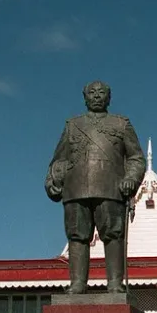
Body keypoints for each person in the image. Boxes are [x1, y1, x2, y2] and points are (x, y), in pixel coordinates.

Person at [45, 81, 146, 294]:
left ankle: (115, 283)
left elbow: (136, 158)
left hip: (111, 188)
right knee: (77, 235)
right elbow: (58, 159)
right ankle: (78, 283)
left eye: (102, 93)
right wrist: (52, 181)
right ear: (85, 97)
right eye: (92, 93)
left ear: (109, 98)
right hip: (75, 189)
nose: (97, 96)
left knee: (113, 235)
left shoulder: (121, 124)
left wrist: (131, 178)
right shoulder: (73, 125)